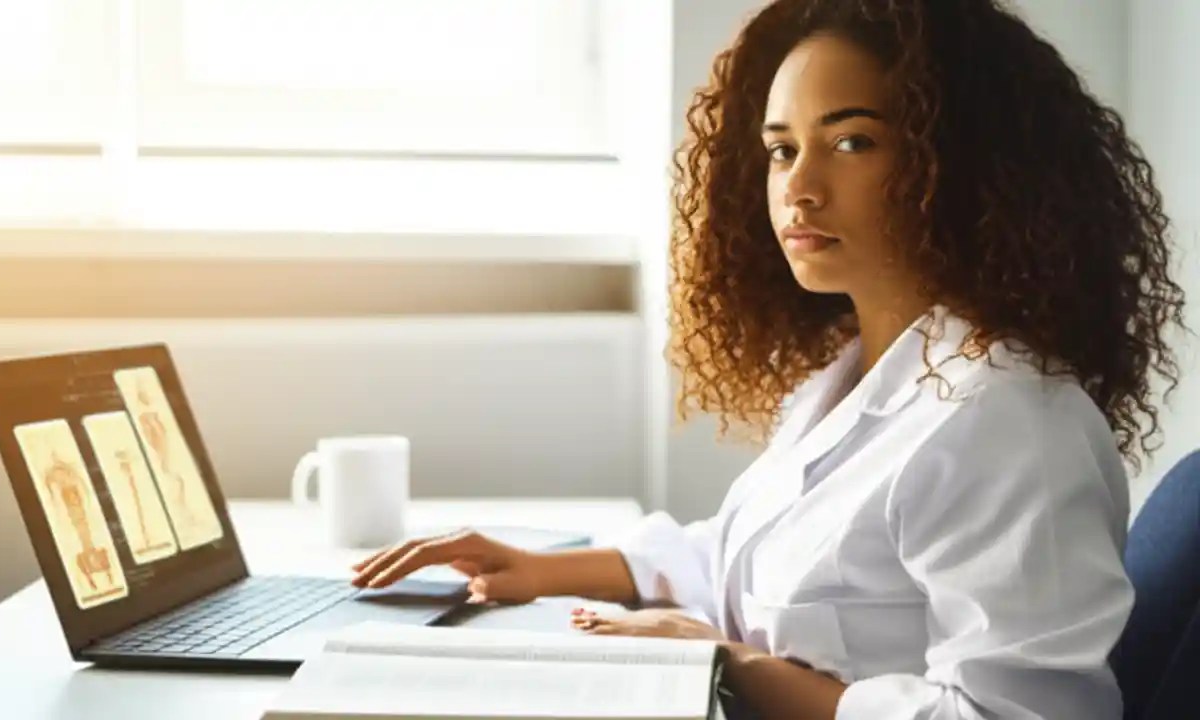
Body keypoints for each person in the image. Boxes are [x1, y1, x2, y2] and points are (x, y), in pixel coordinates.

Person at [350, 0, 1188, 717]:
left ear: (960, 163)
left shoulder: (1009, 415)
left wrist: (727, 663)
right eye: (782, 149)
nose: (799, 187)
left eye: (852, 142)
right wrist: (538, 568)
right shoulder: (857, 375)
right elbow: (751, 562)